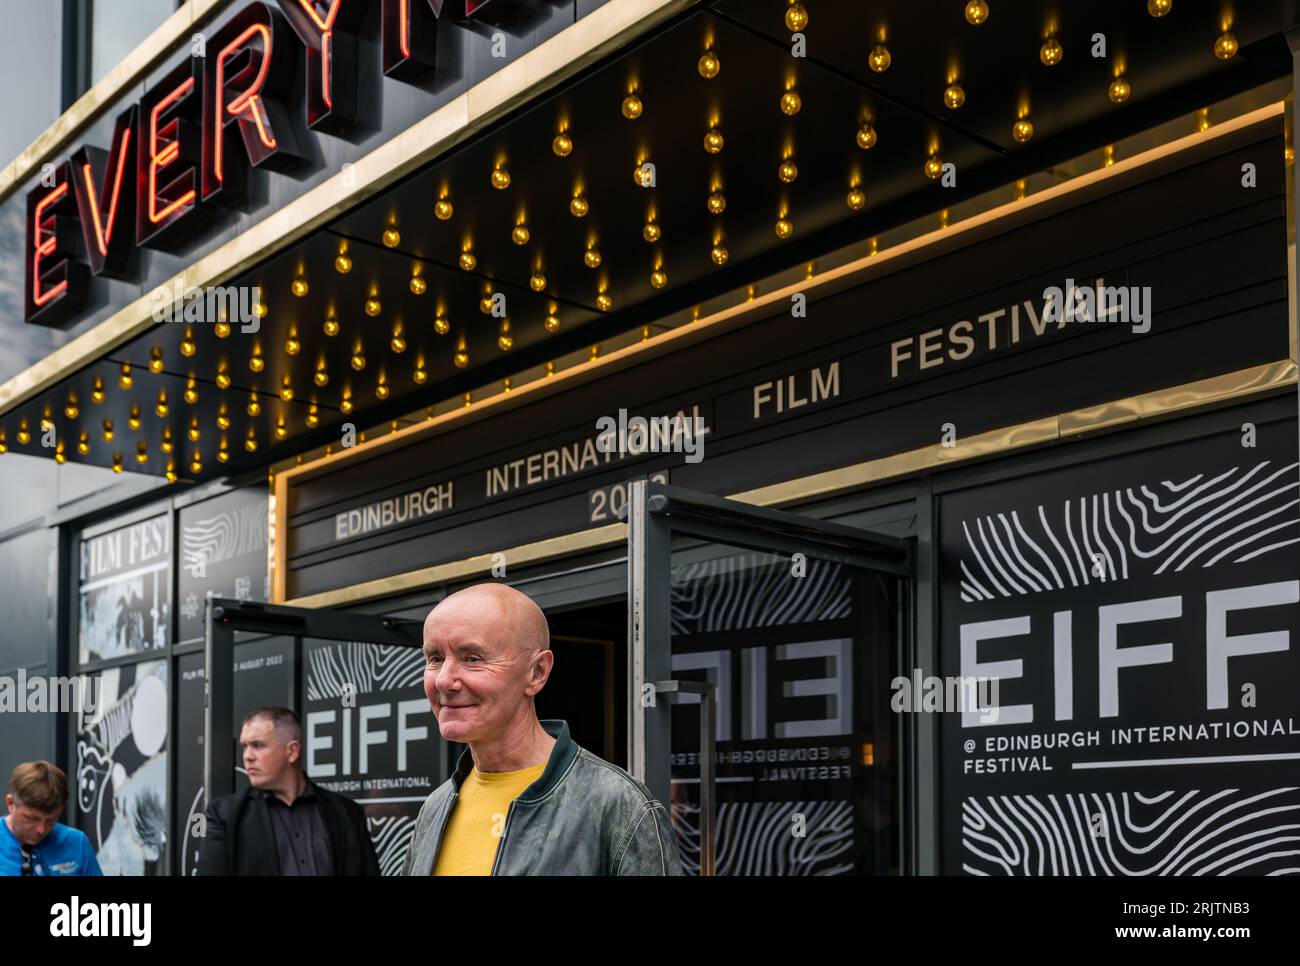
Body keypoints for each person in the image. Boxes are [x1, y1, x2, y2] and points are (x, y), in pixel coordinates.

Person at [402, 582, 682, 876]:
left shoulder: (618, 806)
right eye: (435, 658)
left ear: (537, 673)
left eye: (473, 659)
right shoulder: (435, 808)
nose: (444, 680)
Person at [196, 706, 379, 875]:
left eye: (258, 745)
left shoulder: (347, 813)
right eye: (244, 746)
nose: (247, 756)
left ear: (292, 751)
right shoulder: (226, 816)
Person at [1, 761, 101, 876]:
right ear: (11, 803)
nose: (41, 829)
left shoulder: (77, 842)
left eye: (51, 820)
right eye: (31, 818)